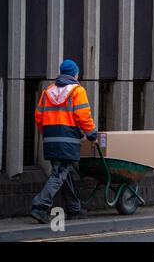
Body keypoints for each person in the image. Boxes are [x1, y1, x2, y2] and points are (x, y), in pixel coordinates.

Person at [31, 59, 98, 224]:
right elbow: (83, 115)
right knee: (59, 173)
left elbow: (39, 116)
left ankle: (74, 208)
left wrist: (46, 134)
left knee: (63, 172)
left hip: (50, 138)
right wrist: (91, 134)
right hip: (67, 139)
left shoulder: (48, 91)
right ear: (75, 74)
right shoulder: (77, 90)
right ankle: (40, 206)